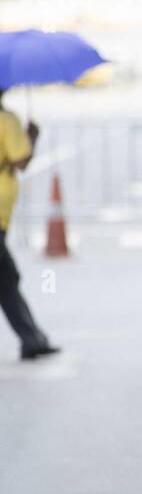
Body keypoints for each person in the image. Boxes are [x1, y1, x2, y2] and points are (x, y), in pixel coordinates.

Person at [0, 90, 58, 360]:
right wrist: (32, 136)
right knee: (7, 277)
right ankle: (32, 338)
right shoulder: (6, 120)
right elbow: (21, 161)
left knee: (7, 278)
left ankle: (32, 338)